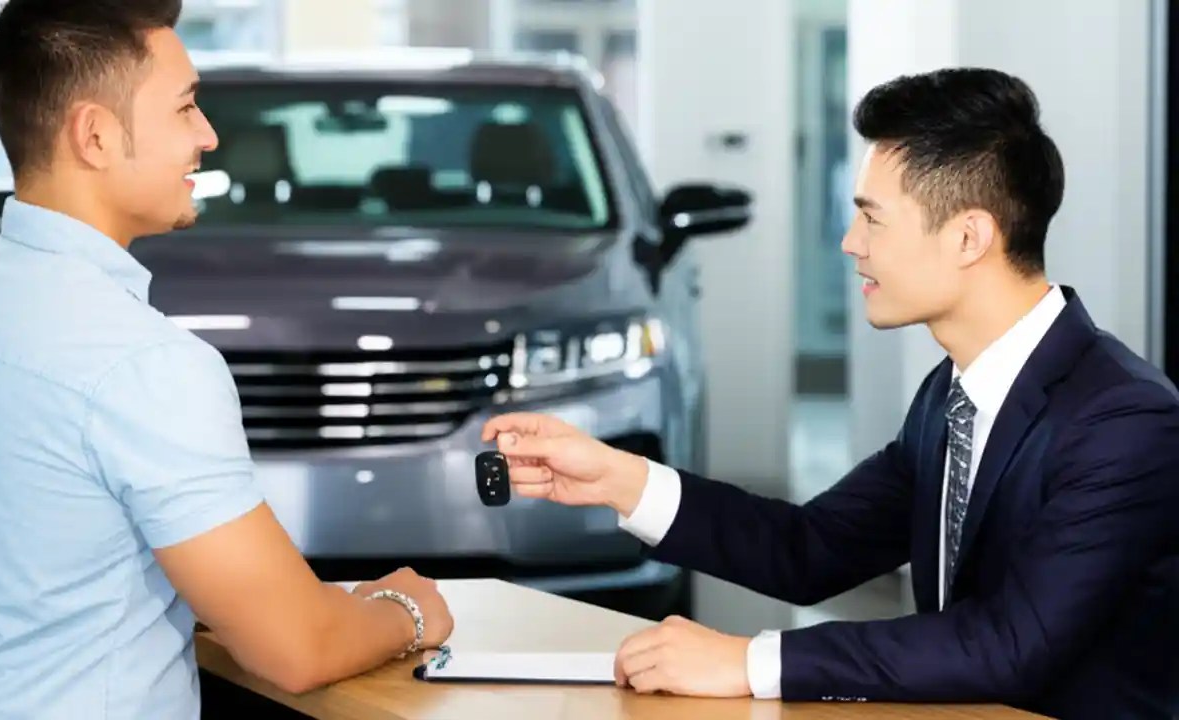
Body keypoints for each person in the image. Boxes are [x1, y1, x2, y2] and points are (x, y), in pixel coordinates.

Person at [484, 67, 1179, 720]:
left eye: (872, 218)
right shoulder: (952, 395)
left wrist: (749, 661)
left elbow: (1007, 647)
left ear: (969, 236)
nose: (851, 244)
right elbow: (810, 549)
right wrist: (619, 479)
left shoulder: (1124, 418)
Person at [0, 1, 452, 718]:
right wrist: (406, 609)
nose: (208, 135)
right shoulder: (142, 360)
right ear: (95, 135)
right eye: (185, 107)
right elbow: (297, 648)